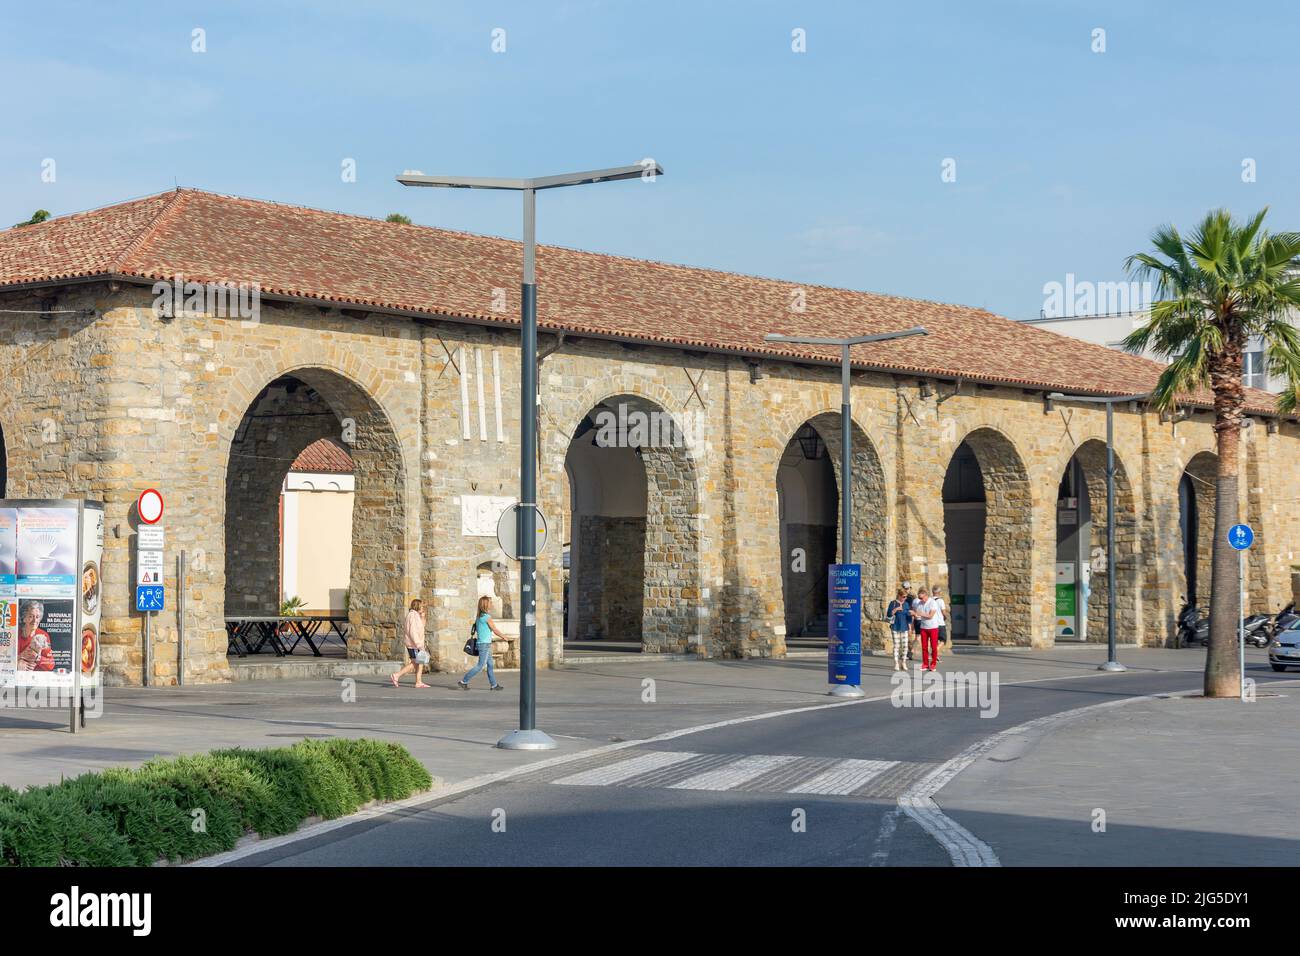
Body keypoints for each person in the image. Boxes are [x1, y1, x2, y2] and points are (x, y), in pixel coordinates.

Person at [458, 596, 514, 691]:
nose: (491, 604)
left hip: (485, 644)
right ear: (485, 605)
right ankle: (463, 681)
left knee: (490, 665)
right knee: (480, 666)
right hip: (484, 644)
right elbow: (494, 629)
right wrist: (504, 637)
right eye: (490, 603)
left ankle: (494, 685)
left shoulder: (479, 617)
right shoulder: (487, 617)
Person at [391, 598, 429, 688]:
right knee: (416, 662)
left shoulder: (416, 615)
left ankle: (418, 682)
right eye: (421, 606)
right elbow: (413, 632)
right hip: (414, 644)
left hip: (415, 644)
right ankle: (396, 675)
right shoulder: (412, 616)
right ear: (417, 606)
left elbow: (422, 627)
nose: (423, 608)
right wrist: (418, 644)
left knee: (420, 662)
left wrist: (423, 616)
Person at [911, 587, 943, 672]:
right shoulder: (920, 603)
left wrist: (919, 613)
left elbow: (930, 616)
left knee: (933, 647)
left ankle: (933, 665)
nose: (920, 599)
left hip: (933, 627)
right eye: (919, 598)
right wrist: (913, 614)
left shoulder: (932, 603)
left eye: (921, 597)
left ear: (925, 595)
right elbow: (917, 615)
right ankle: (925, 664)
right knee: (924, 647)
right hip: (923, 628)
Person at [16, 601, 54, 672]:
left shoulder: (43, 635)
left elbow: (51, 665)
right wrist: (18, 660)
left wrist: (37, 657)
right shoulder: (15, 633)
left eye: (37, 617)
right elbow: (4, 660)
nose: (35, 620)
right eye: (30, 616)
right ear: (24, 618)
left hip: (36, 679)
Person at [885, 588, 911, 670]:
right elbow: (889, 615)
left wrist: (910, 626)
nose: (905, 598)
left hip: (904, 627)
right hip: (895, 627)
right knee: (896, 645)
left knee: (905, 646)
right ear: (899, 596)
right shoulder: (893, 603)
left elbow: (908, 616)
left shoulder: (906, 604)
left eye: (906, 597)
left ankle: (903, 662)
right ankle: (896, 663)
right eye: (903, 596)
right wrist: (896, 609)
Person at [931, 587, 949, 665]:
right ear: (939, 592)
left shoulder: (930, 600)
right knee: (943, 640)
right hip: (940, 623)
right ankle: (935, 652)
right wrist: (945, 617)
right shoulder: (940, 601)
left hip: (932, 624)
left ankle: (936, 656)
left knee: (934, 640)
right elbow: (943, 612)